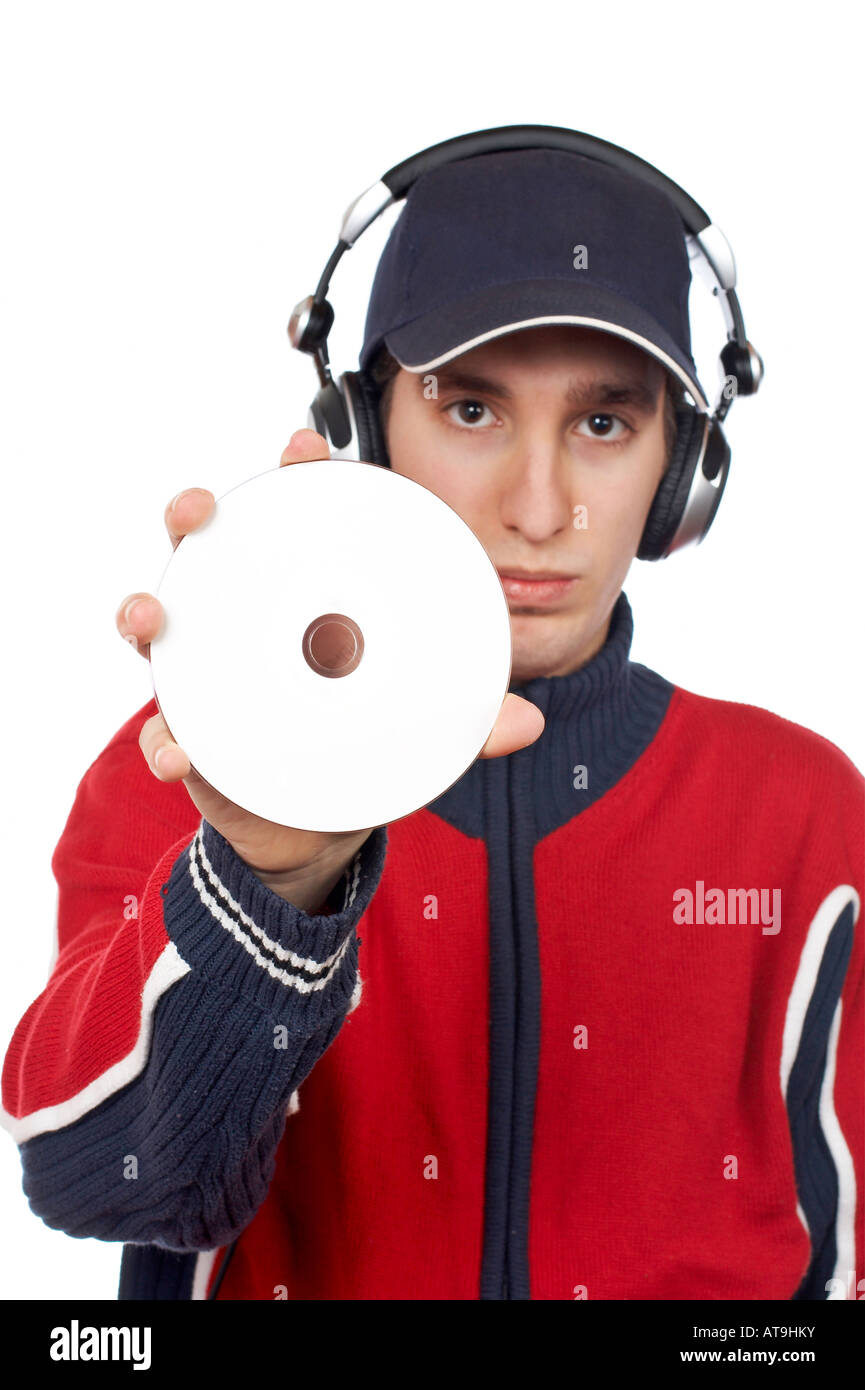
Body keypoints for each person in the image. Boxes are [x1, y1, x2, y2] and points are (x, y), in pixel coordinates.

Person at [2, 145, 862, 1302]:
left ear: (683, 474)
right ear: (367, 431)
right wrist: (264, 881)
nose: (538, 507)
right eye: (470, 408)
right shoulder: (193, 765)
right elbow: (103, 1185)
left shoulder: (804, 810)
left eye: (604, 426)